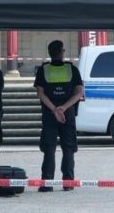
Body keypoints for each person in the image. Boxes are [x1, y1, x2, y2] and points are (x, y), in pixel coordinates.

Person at [34, 40, 83, 192]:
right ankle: (68, 182)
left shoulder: (43, 70)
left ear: (49, 53)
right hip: (67, 113)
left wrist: (55, 109)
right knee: (68, 148)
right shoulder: (72, 69)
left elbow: (40, 93)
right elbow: (79, 92)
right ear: (62, 52)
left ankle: (47, 183)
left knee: (49, 148)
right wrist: (64, 108)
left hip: (50, 113)